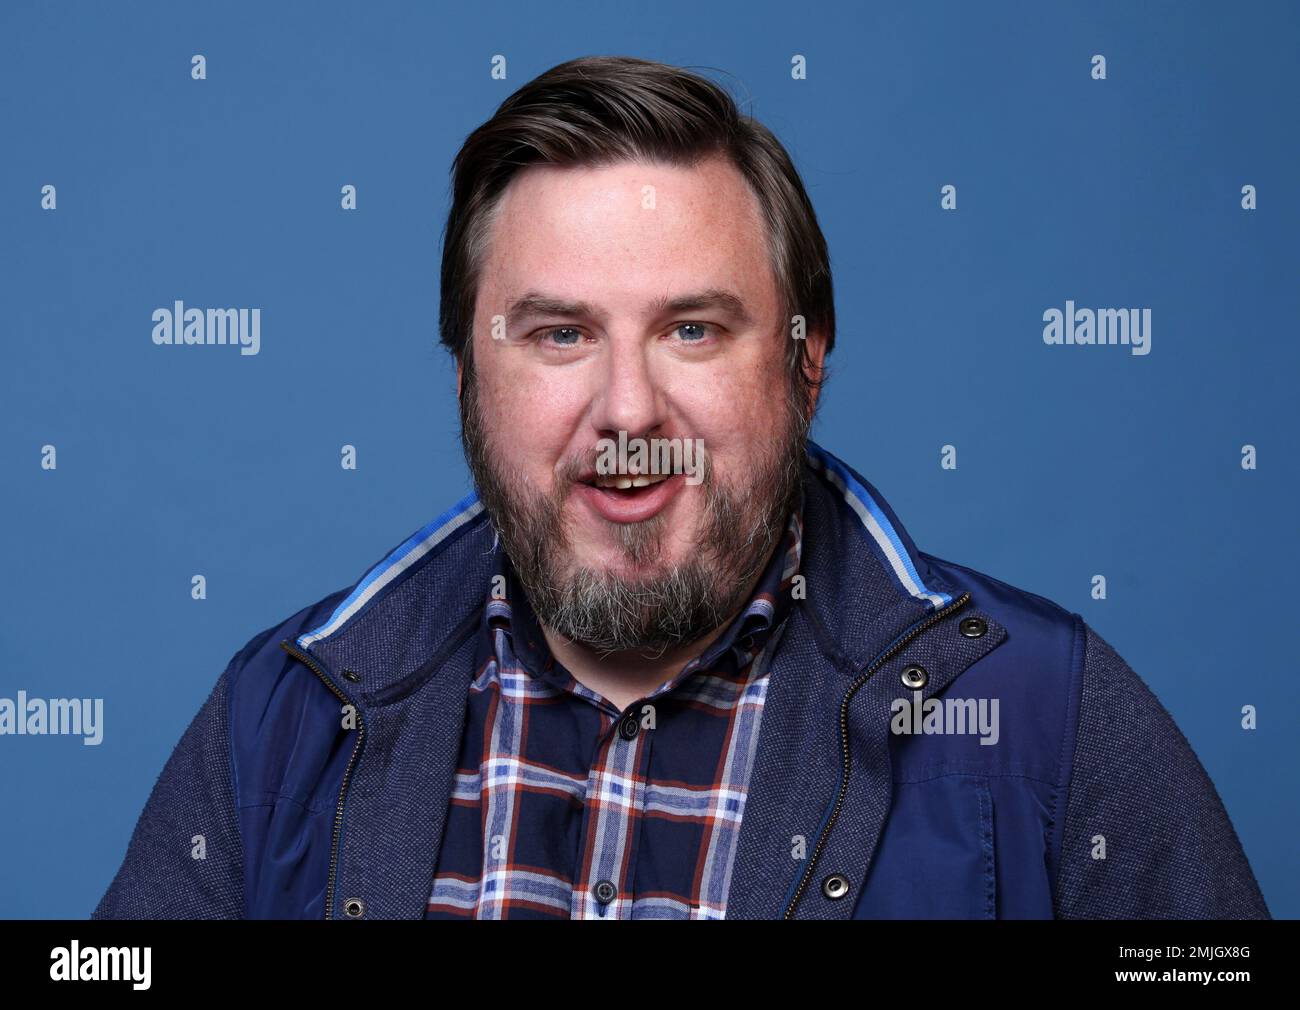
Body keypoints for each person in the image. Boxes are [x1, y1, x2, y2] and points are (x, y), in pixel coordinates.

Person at [92, 55, 1269, 920]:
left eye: (693, 329)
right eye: (557, 334)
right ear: (465, 375)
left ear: (807, 359)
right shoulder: (284, 715)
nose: (627, 410)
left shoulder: (1042, 720)